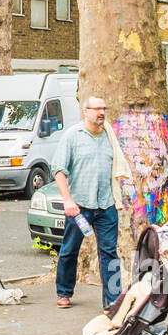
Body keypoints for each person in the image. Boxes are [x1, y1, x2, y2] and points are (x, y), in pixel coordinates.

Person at [50, 95, 131, 310]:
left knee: (109, 253)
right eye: (96, 109)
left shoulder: (109, 136)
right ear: (85, 111)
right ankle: (64, 292)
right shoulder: (72, 136)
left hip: (106, 205)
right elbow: (58, 170)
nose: (101, 112)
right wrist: (68, 201)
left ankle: (112, 301)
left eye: (104, 108)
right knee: (69, 249)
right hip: (80, 207)